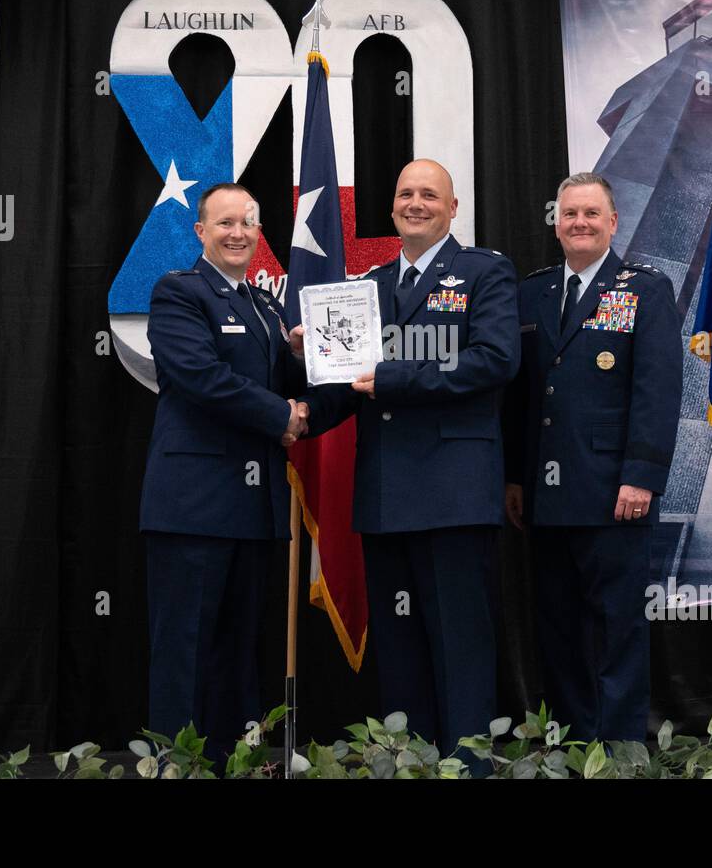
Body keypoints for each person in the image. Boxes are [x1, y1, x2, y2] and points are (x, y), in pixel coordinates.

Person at [297, 159, 519, 753]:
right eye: (405, 194)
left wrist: (396, 378)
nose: (415, 203)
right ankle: (412, 764)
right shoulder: (366, 288)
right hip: (386, 490)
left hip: (454, 492)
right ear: (392, 208)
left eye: (429, 194)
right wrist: (301, 408)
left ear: (453, 209)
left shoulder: (484, 273)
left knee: (460, 644)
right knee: (398, 646)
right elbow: (349, 384)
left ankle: (468, 765)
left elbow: (494, 361)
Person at [503, 172, 682, 742]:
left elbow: (658, 391)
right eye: (569, 213)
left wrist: (642, 476)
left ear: (612, 222)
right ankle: (575, 743)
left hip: (614, 492)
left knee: (616, 628)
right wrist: (514, 477)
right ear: (555, 223)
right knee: (558, 628)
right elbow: (520, 395)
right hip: (546, 494)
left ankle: (622, 748)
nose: (579, 223)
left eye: (590, 213)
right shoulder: (530, 292)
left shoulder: (646, 289)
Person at [139, 182, 307, 756]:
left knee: (239, 655)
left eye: (248, 224)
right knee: (184, 653)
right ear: (201, 232)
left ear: (260, 233)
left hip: (253, 510)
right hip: (194, 506)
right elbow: (201, 379)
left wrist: (316, 363)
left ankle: (235, 764)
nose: (238, 233)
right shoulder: (178, 293)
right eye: (226, 223)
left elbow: (283, 389)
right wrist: (282, 413)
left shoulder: (265, 307)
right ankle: (176, 767)